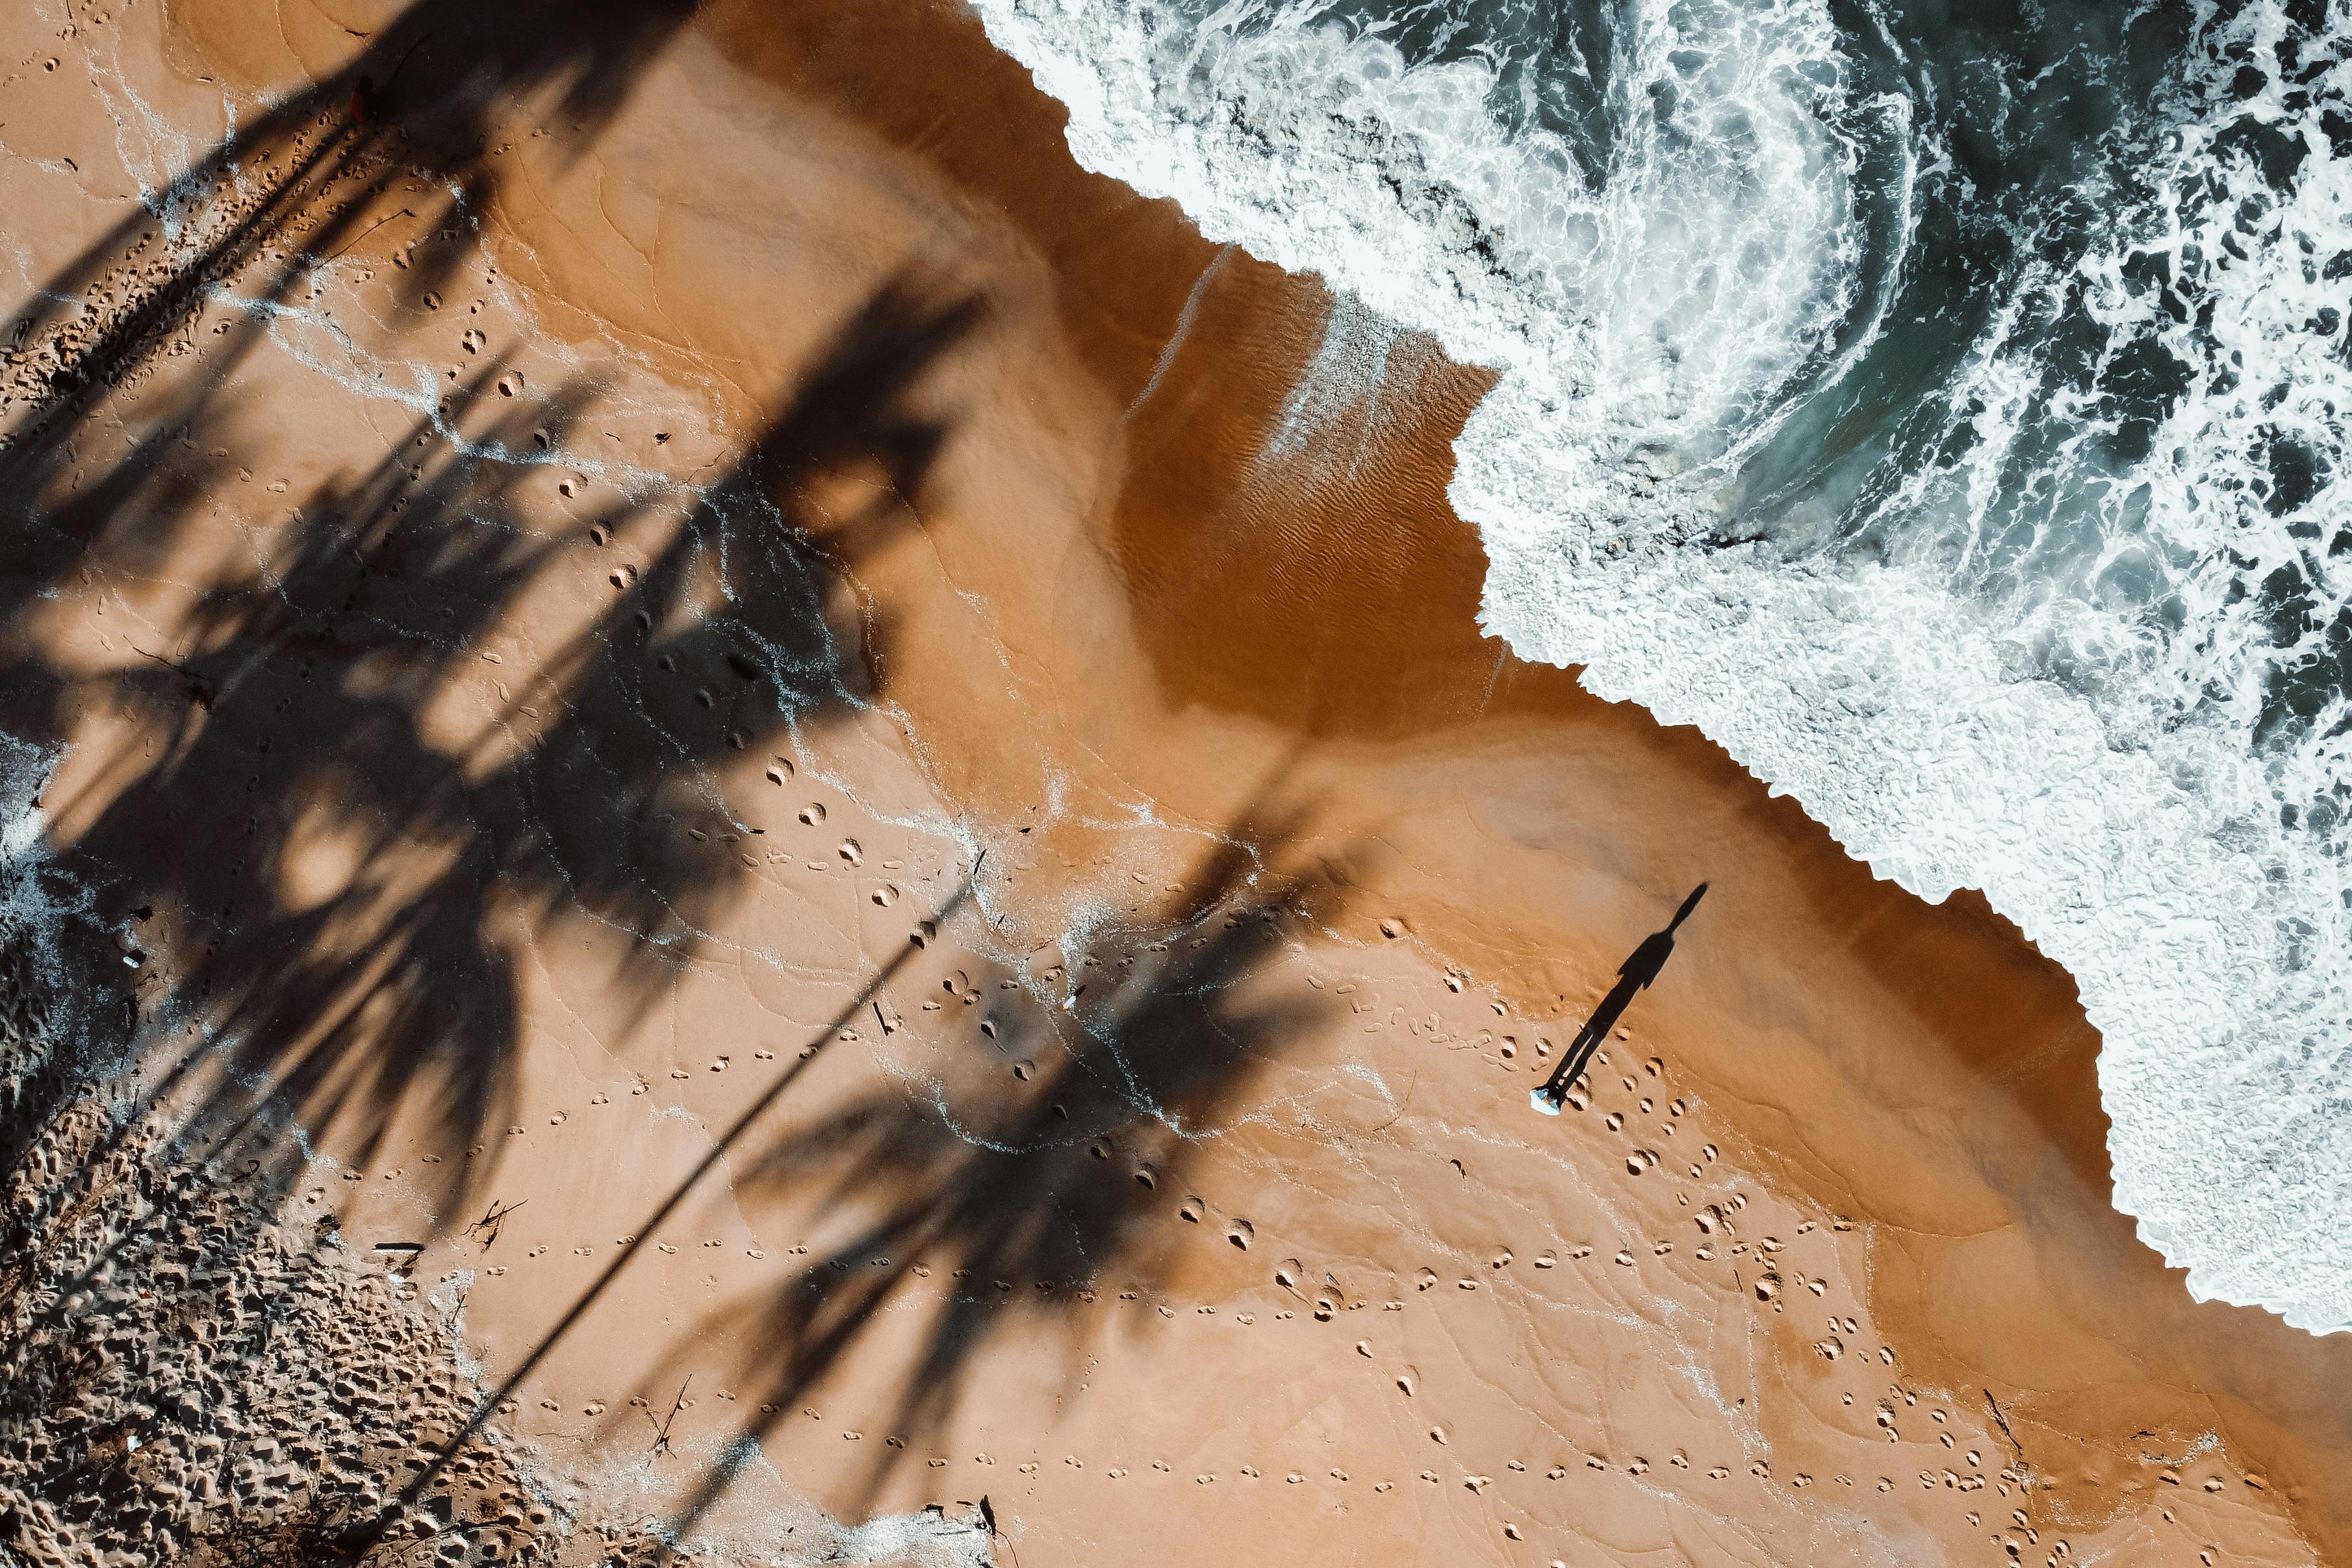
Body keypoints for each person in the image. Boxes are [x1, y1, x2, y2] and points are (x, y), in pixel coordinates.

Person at [1531, 883, 1706, 1115]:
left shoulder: (1664, 942)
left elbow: (1646, 967)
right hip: (1627, 987)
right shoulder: (1662, 941)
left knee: (1584, 1051)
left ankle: (1587, 1041)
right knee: (1578, 1048)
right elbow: (1643, 965)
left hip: (1629, 987)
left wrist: (1641, 977)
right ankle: (1587, 1036)